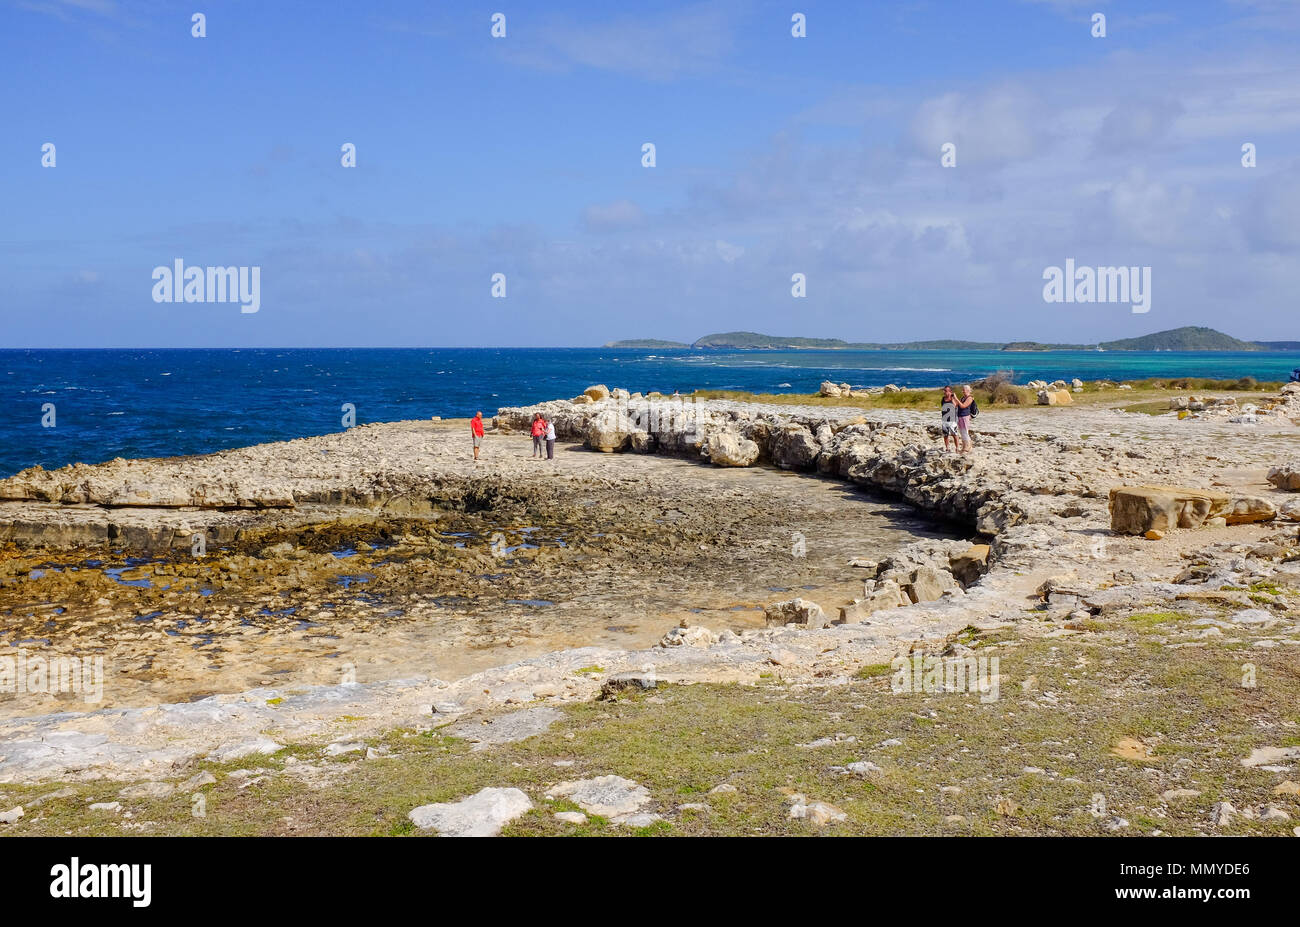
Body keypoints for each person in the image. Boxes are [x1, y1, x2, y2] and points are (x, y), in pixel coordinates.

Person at [954, 384, 976, 454]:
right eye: (962, 390)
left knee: (965, 432)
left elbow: (963, 406)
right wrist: (953, 399)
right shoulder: (963, 398)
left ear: (968, 390)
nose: (962, 391)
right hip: (960, 416)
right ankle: (964, 447)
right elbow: (957, 405)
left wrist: (956, 398)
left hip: (965, 417)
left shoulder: (970, 398)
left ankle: (968, 447)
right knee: (962, 432)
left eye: (964, 390)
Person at [939, 386, 959, 453]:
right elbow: (942, 407)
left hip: (952, 419)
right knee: (945, 435)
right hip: (944, 419)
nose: (945, 392)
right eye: (944, 390)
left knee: (954, 434)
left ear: (950, 391)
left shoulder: (953, 398)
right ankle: (947, 448)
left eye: (947, 391)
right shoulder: (943, 399)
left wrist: (953, 397)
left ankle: (957, 448)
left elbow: (955, 405)